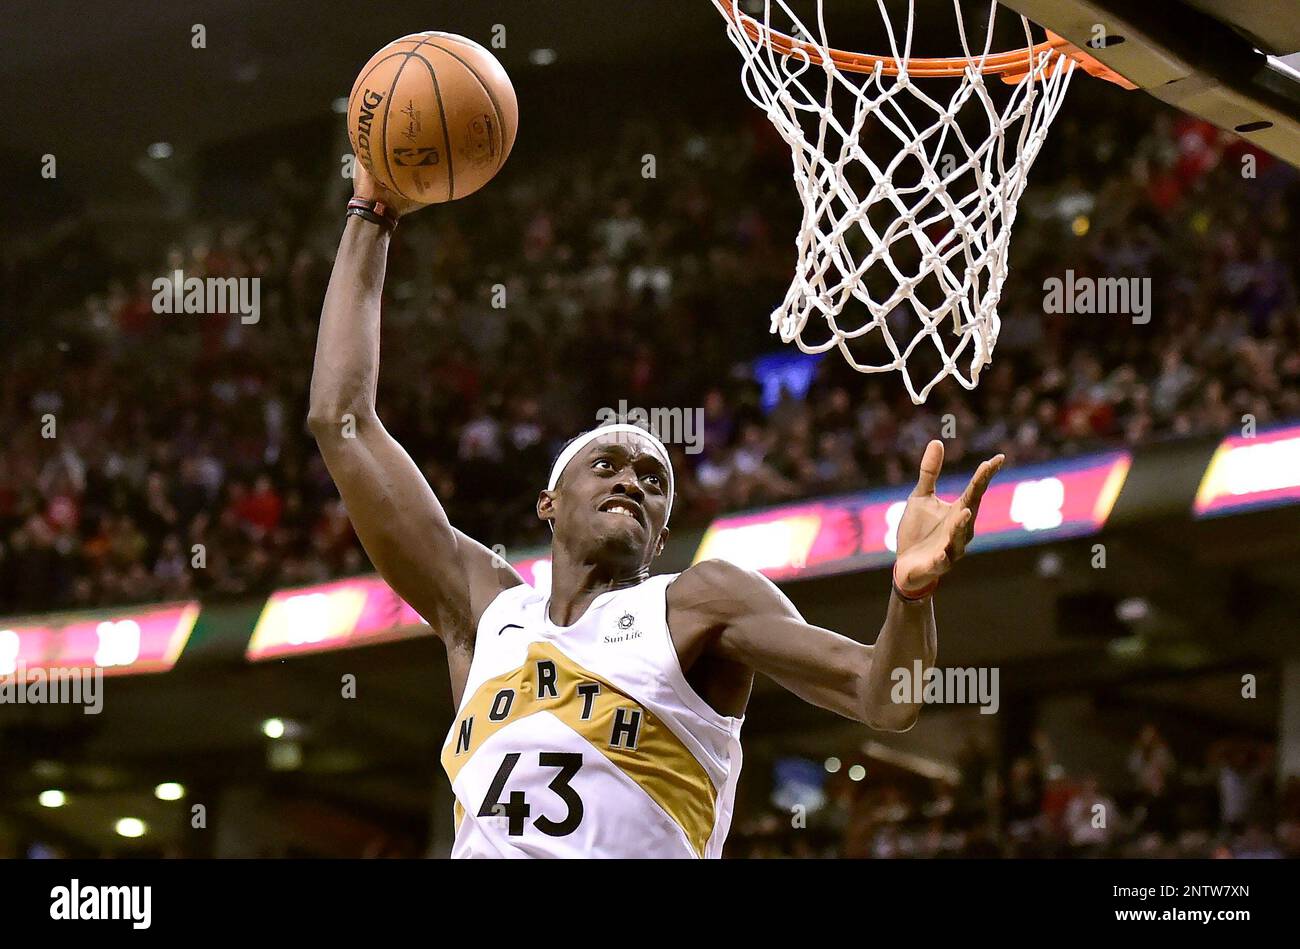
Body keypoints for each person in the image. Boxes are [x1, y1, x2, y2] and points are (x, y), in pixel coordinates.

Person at [307, 162, 1005, 858]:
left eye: (653, 477)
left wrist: (911, 596)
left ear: (663, 533)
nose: (633, 481)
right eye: (606, 465)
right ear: (549, 503)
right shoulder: (487, 610)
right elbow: (340, 419)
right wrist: (372, 213)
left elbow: (884, 699)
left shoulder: (702, 601)